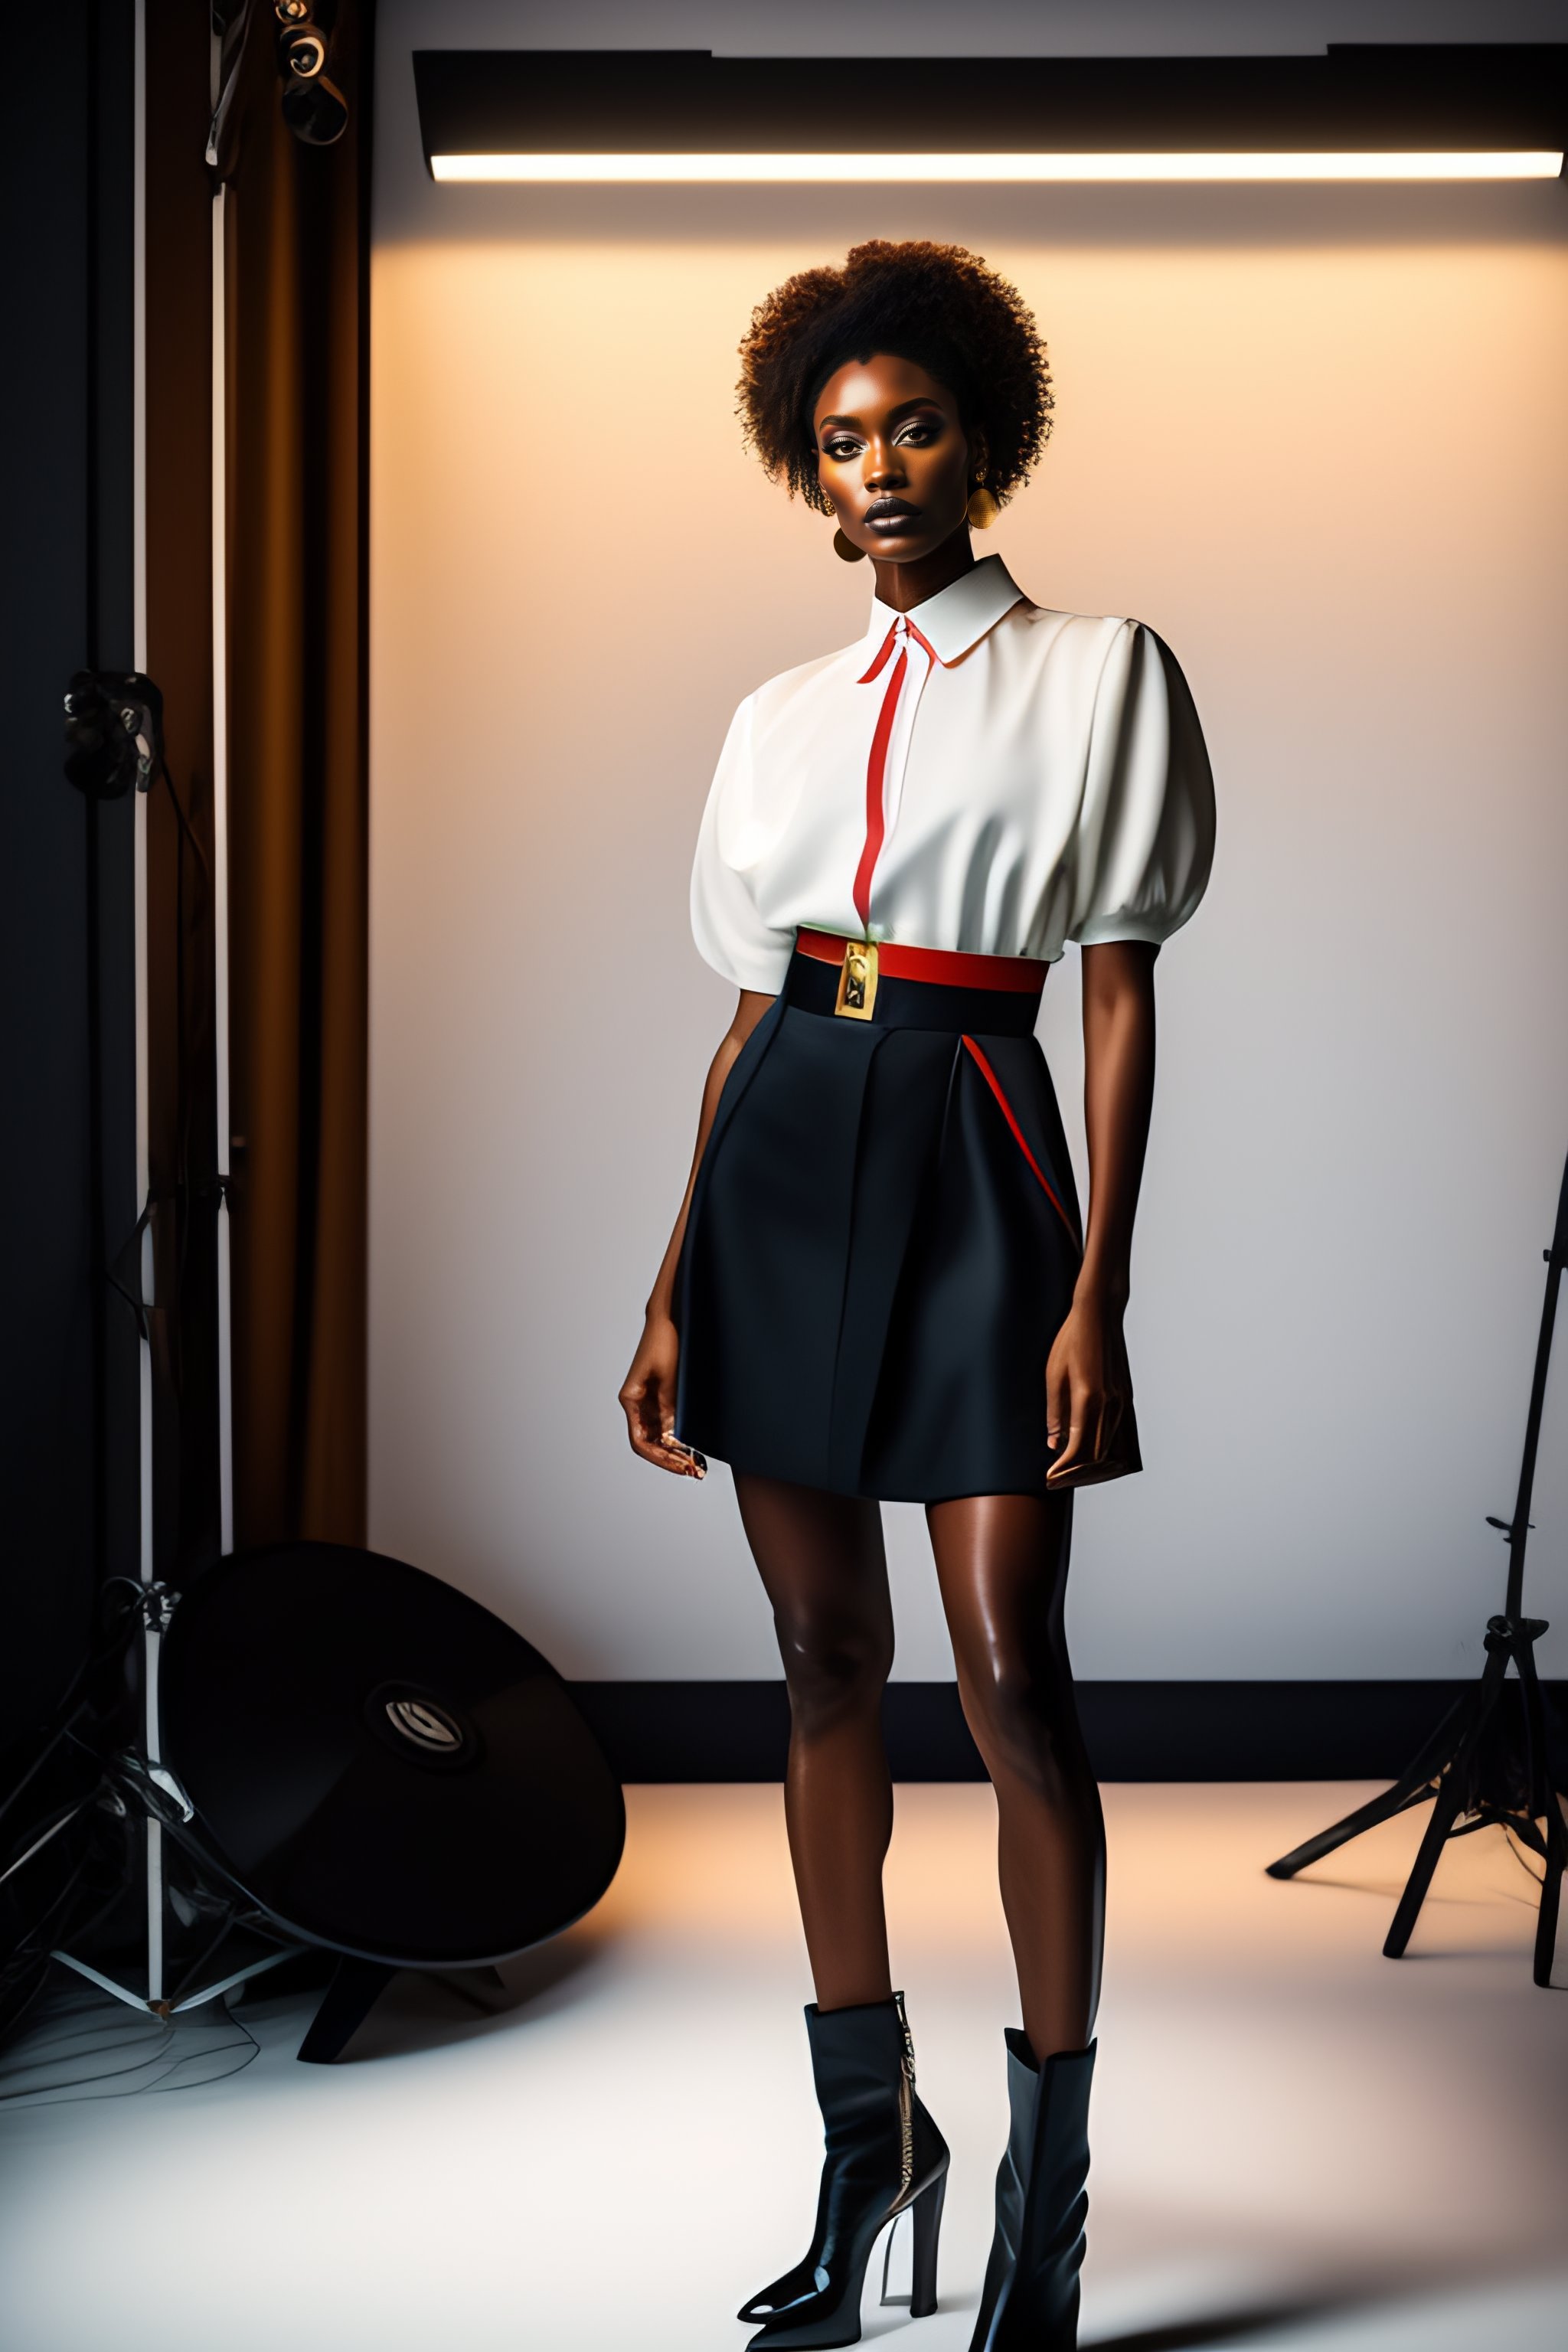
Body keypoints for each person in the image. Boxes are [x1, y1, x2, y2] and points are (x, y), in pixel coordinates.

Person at [619, 239, 1216, 2351]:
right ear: (812, 471)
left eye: (915, 429)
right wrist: (673, 1278)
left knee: (1009, 1673)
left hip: (978, 1132)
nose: (877, 471)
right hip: (779, 1153)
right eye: (841, 442)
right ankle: (869, 2148)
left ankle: (1043, 2219)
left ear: (985, 436)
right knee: (815, 1661)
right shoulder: (777, 722)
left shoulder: (1103, 671)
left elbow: (1123, 1001)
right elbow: (746, 1013)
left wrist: (1095, 1294)